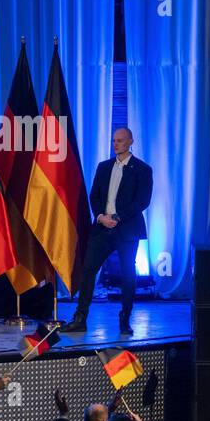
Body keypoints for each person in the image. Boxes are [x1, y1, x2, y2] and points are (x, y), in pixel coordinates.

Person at [65, 127, 153, 335]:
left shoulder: (142, 169)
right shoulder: (103, 167)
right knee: (87, 270)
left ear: (130, 141)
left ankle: (125, 318)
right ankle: (80, 317)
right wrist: (101, 217)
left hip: (127, 229)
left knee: (128, 274)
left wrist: (118, 217)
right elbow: (94, 196)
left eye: (120, 140)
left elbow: (142, 201)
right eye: (114, 140)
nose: (116, 144)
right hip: (103, 227)